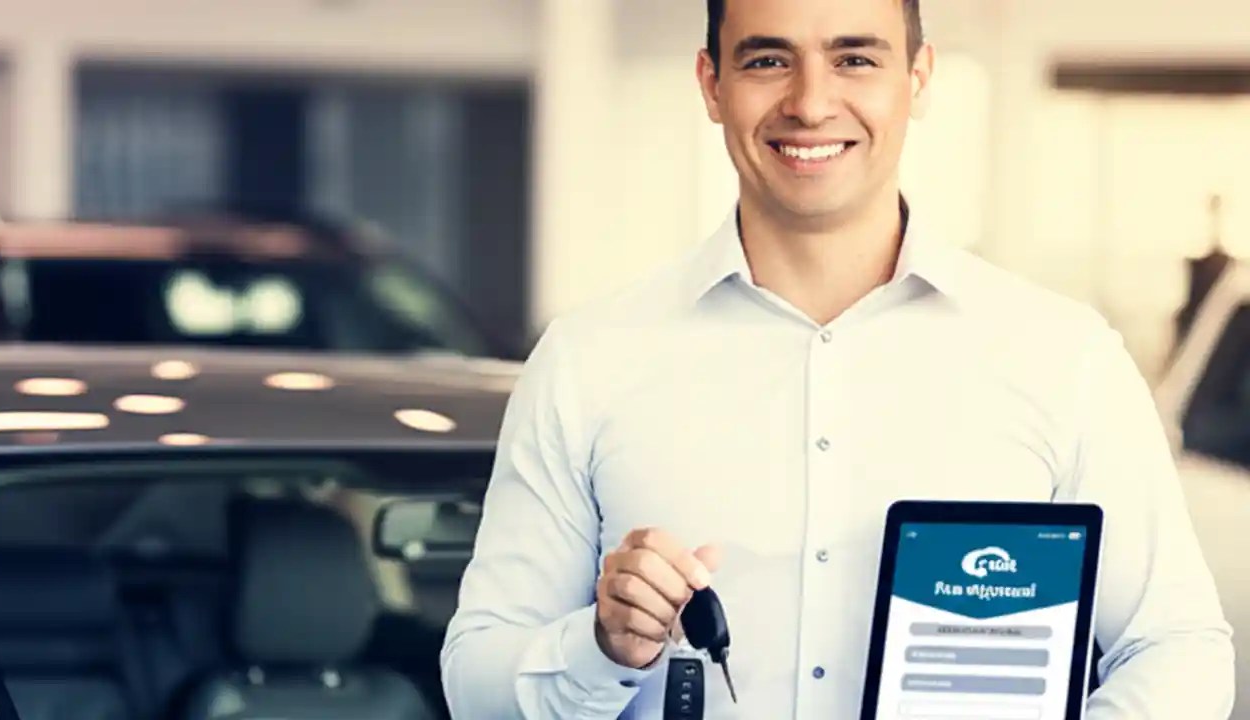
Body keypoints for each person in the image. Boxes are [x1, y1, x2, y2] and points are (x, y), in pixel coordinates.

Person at [440, 0, 1237, 716]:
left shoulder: (1063, 358)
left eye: (854, 58)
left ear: (918, 79)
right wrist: (600, 648)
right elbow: (477, 678)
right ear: (711, 84)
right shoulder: (587, 359)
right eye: (767, 59)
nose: (811, 102)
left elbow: (1178, 649)